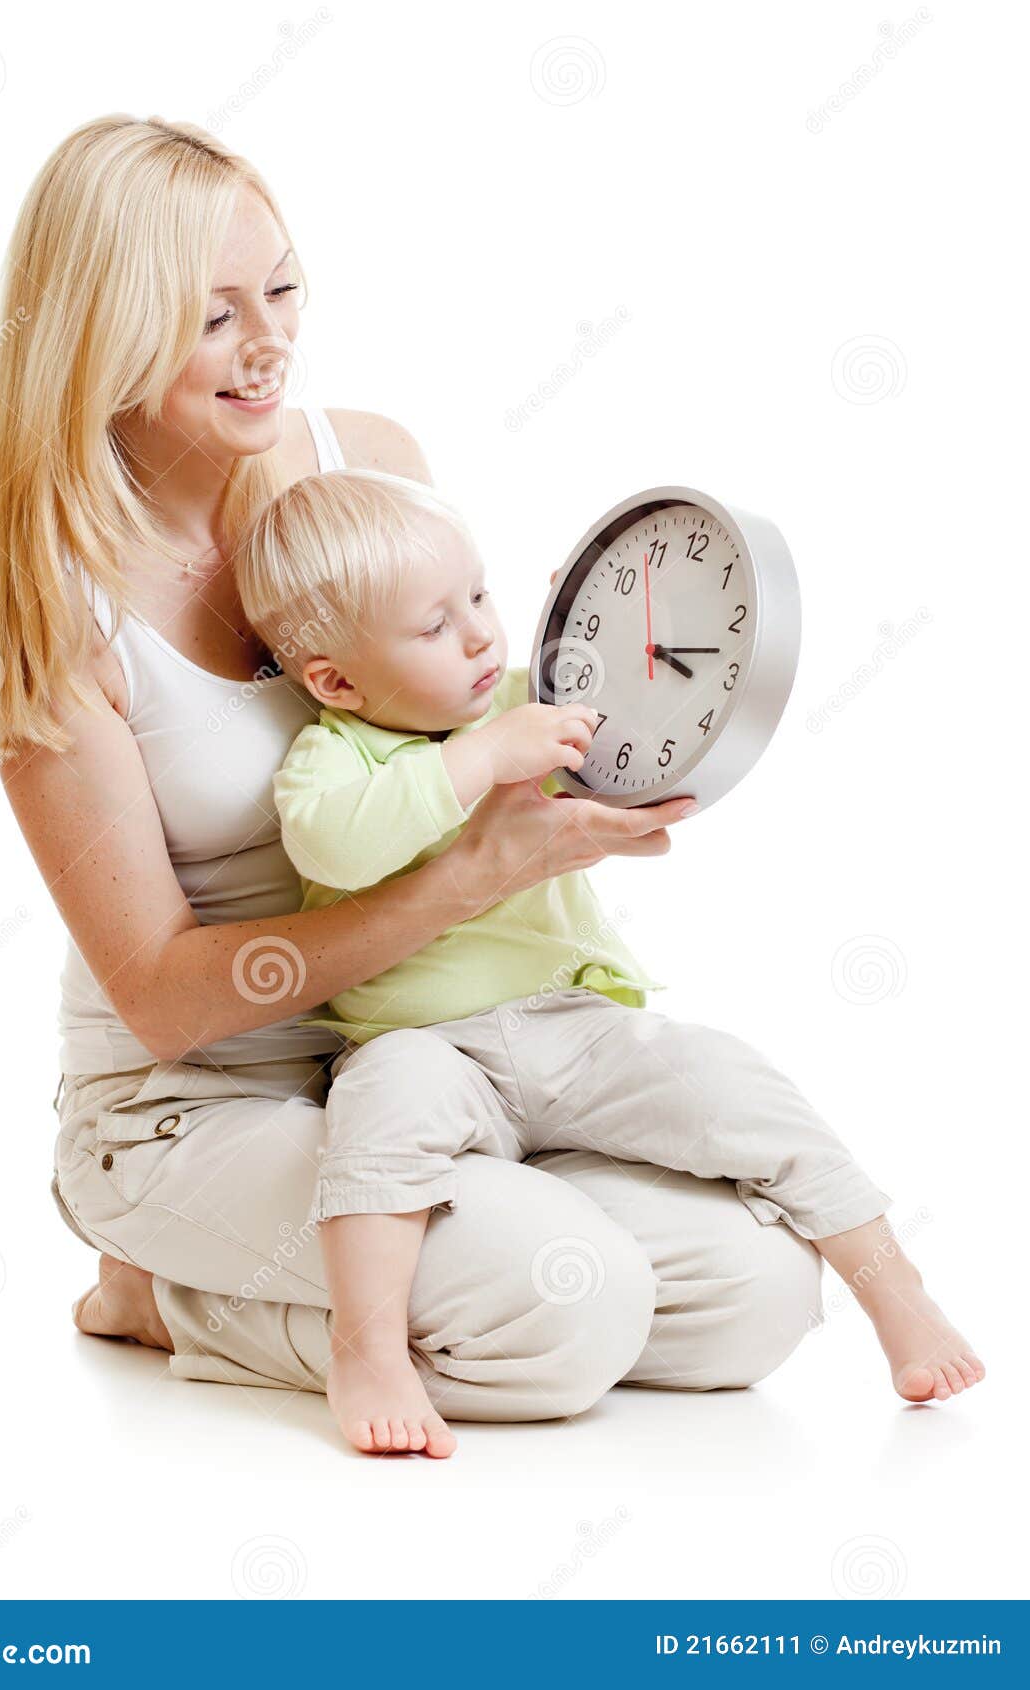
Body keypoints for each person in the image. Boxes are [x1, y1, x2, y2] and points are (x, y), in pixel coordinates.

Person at [0, 113, 829, 1451]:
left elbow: (439, 718)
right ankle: (164, 1290)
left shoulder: (367, 458)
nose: (269, 341)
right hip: (195, 1104)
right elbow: (165, 999)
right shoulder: (52, 616)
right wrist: (469, 875)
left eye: (281, 290)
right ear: (96, 328)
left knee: (754, 1292)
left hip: (416, 1060)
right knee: (558, 1309)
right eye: (210, 315)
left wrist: (584, 721)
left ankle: (342, 1272)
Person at [235, 467, 987, 1457]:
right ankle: (366, 1345)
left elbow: (627, 724)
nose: (476, 634)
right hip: (416, 1042)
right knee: (378, 1120)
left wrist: (591, 632)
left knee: (732, 1084)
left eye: (479, 596)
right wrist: (483, 755)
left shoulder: (519, 707)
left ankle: (896, 1291)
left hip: (568, 1023)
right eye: (432, 626)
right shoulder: (333, 761)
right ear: (334, 681)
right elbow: (337, 844)